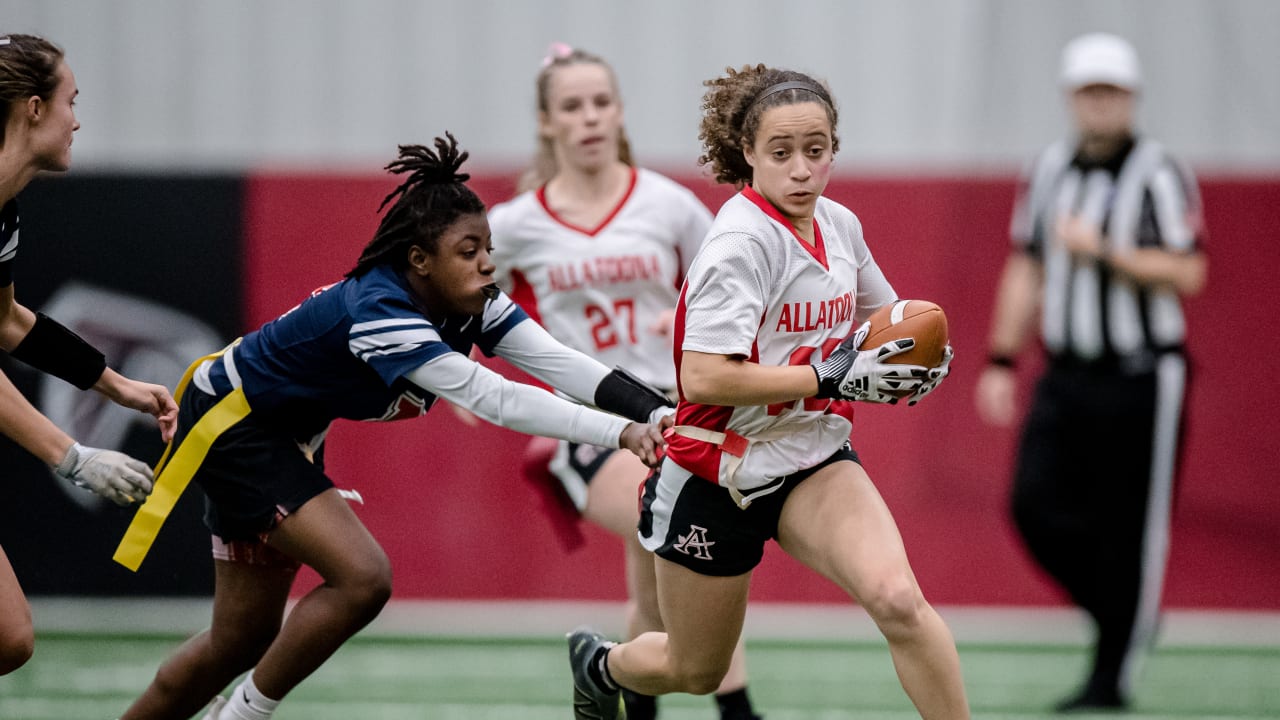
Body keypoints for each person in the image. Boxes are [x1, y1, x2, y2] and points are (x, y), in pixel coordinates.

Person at [115, 134, 672, 720]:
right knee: (363, 578)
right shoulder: (381, 312)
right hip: (238, 429)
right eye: (467, 249)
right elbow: (496, 397)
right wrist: (620, 433)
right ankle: (241, 717)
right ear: (419, 261)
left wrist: (653, 411)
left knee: (238, 642)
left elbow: (559, 362)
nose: (487, 262)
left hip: (278, 430)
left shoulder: (469, 298)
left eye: (488, 246)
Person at [565, 64, 968, 720]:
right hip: (714, 469)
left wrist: (918, 359)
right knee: (696, 671)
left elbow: (888, 320)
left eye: (817, 150)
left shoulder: (839, 226)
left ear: (834, 149)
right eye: (782, 153)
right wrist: (828, 376)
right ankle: (601, 664)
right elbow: (704, 378)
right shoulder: (739, 244)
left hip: (810, 455)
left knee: (898, 601)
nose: (802, 169)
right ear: (748, 152)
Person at [487, 44, 761, 720]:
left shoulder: (666, 204)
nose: (589, 118)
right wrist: (447, 375)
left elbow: (736, 288)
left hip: (678, 412)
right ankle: (740, 713)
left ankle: (622, 695)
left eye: (600, 103)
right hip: (590, 424)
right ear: (547, 122)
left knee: (656, 585)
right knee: (676, 513)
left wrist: (694, 317)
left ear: (620, 112)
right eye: (572, 107)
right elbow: (445, 295)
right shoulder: (515, 223)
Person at [974, 32, 1206, 713]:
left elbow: (1190, 270)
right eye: (1088, 92)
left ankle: (1111, 674)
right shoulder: (1048, 169)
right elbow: (1027, 263)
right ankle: (1121, 613)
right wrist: (1001, 357)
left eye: (1111, 92)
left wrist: (1105, 250)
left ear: (1130, 99)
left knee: (1129, 528)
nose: (1099, 104)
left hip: (1141, 377)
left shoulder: (1160, 172)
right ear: (1072, 99)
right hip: (1065, 371)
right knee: (1032, 505)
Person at [0, 32, 178, 676]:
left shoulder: (2, 212)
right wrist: (71, 456)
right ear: (33, 108)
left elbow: (8, 322)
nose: (78, 118)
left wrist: (116, 386)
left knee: (7, 637)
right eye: (71, 100)